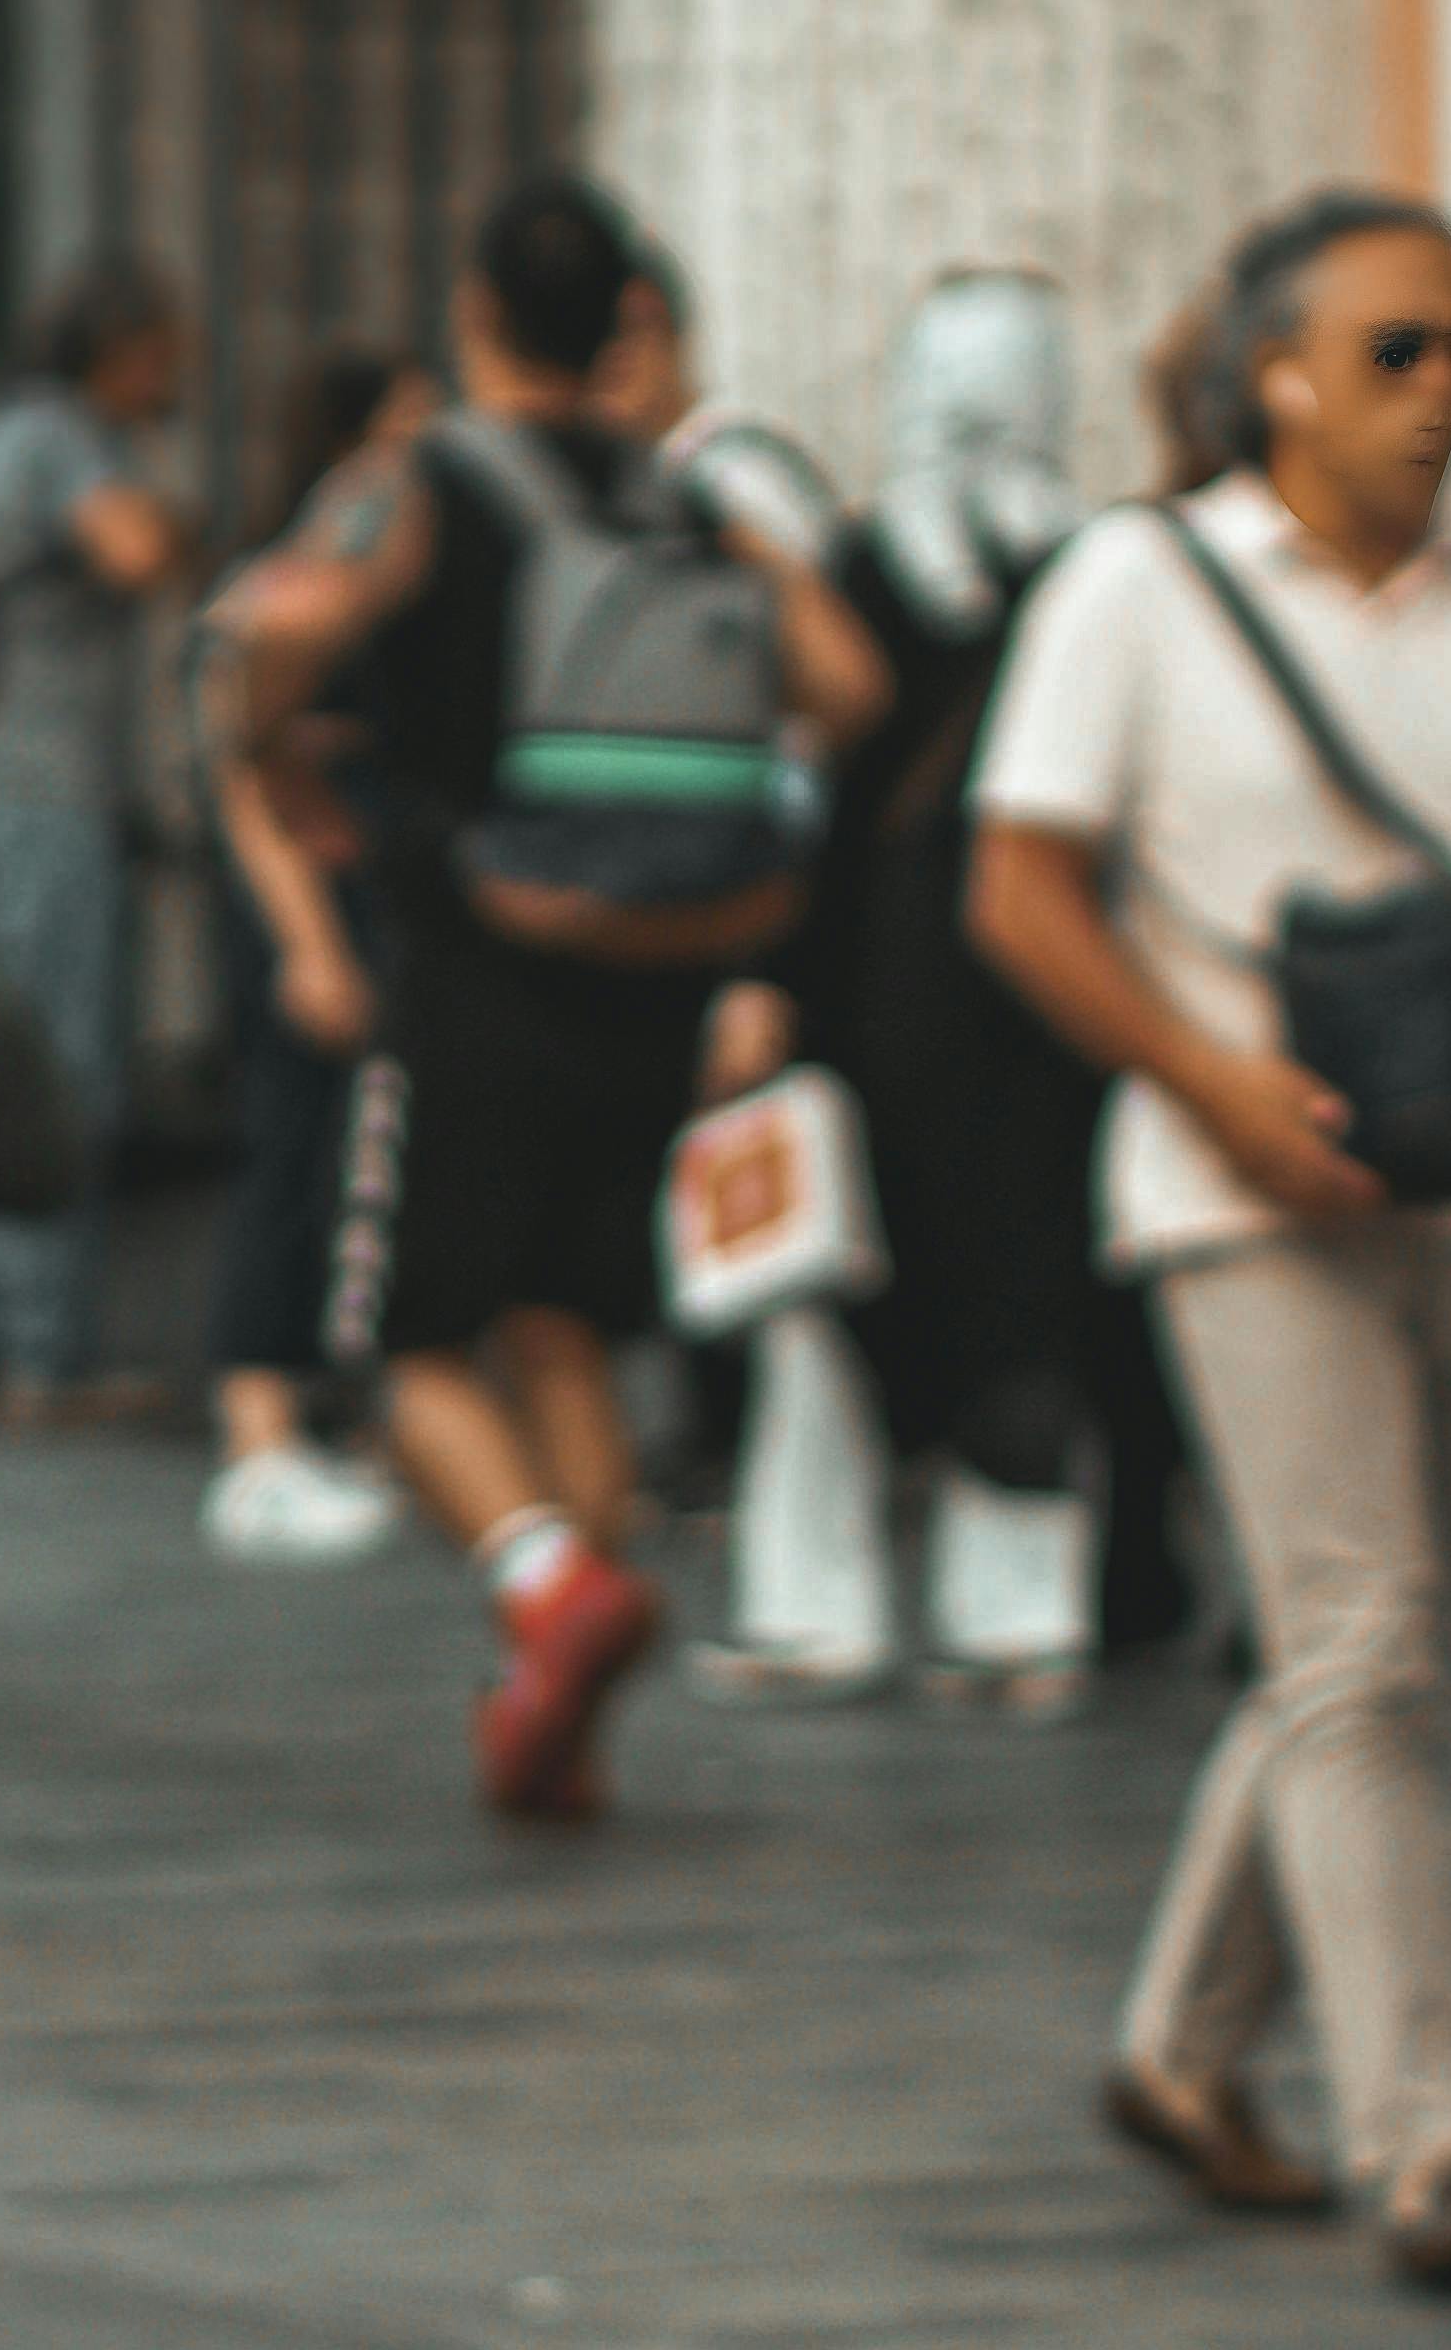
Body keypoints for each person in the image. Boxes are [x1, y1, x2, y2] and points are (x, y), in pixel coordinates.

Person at [970, 188, 1451, 2296]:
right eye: (1397, 350)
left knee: (1357, 1655)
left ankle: (1181, 2050)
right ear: (1276, 372)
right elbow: (1018, 888)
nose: (1441, 394)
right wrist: (1219, 1092)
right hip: (1236, 1194)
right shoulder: (1137, 582)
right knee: (1363, 1644)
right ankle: (1429, 2141)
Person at [218, 175, 878, 1828]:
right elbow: (849, 684)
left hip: (479, 962)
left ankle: (544, 1590)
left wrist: (270, 727)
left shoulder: (424, 480)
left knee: (415, 1343)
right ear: (624, 325)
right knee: (568, 1321)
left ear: (475, 312)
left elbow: (278, 624)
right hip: (656, 974)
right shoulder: (687, 496)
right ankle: (559, 1709)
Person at [715, 274, 1112, 1715]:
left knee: (847, 1292)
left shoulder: (864, 572)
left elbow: (797, 795)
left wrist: (762, 976)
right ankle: (1006, 1612)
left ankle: (836, 1603)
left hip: (907, 988)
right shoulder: (1087, 568)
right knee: (970, 1291)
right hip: (1014, 998)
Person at [0, 255, 189, 1424]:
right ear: (121, 348)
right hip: (37, 800)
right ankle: (35, 1353)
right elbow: (136, 554)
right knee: (52, 1071)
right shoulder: (63, 439)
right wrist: (179, 516)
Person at [192, 349, 411, 1566]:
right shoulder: (276, 602)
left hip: (353, 908)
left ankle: (336, 1420)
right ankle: (257, 1438)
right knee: (285, 1157)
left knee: (352, 1160)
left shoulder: (368, 596)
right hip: (300, 917)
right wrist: (310, 942)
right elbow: (244, 786)